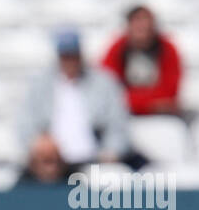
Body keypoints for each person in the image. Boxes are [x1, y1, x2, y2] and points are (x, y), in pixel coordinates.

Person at [16, 30, 134, 172]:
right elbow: (25, 122)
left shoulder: (103, 83)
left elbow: (118, 123)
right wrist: (38, 146)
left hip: (92, 159)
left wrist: (111, 151)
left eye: (73, 55)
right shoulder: (40, 84)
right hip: (53, 161)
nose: (70, 61)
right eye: (65, 56)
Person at [99, 5, 183, 116]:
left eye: (146, 20)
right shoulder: (117, 48)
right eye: (137, 20)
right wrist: (150, 104)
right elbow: (108, 88)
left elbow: (170, 91)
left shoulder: (167, 49)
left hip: (159, 116)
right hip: (124, 114)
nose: (142, 25)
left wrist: (126, 101)